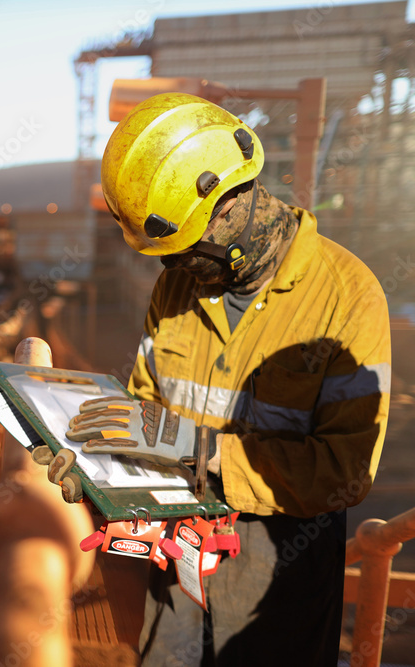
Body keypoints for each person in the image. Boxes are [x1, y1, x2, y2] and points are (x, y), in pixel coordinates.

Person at [34, 93, 391, 666]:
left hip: (277, 591)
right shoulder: (177, 290)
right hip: (175, 579)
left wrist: (194, 449)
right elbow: (142, 413)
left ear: (228, 208)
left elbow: (344, 475)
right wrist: (100, 475)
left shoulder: (347, 297)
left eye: (182, 251)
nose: (171, 268)